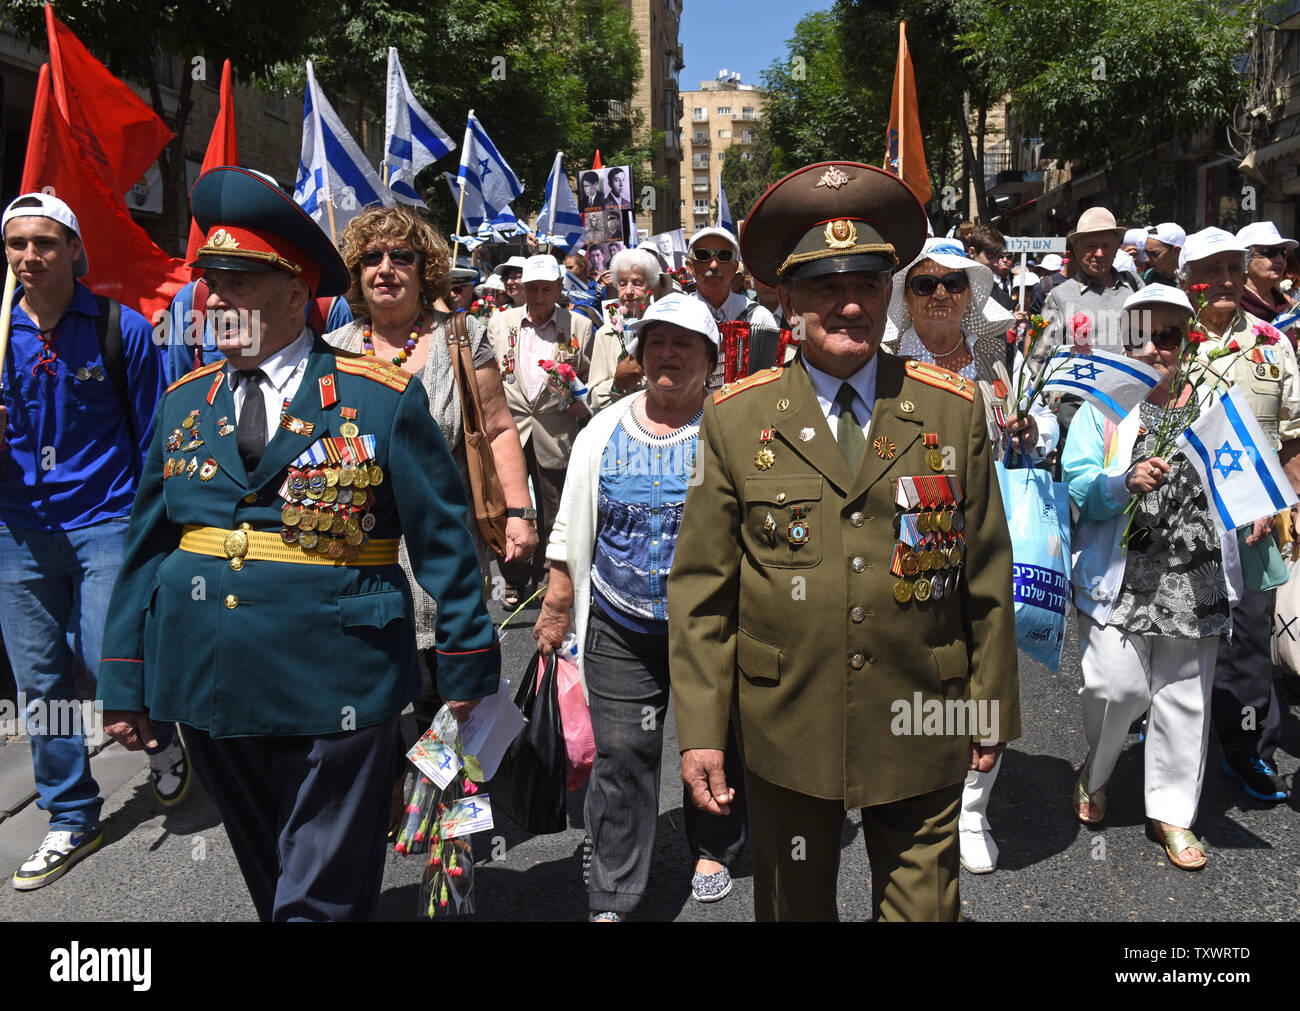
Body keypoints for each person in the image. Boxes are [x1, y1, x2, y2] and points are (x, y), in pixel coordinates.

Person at [96, 167, 501, 921]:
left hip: (336, 676)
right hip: (209, 680)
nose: (216, 300)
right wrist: (124, 674)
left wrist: (466, 656)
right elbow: (146, 547)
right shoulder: (186, 404)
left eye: (241, 280)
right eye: (211, 281)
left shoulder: (378, 396)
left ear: (295, 291)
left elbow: (442, 536)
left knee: (313, 897)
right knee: (271, 870)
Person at [669, 161, 1020, 922]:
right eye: (827, 287)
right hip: (788, 722)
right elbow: (701, 589)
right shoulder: (735, 417)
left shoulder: (950, 411)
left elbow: (988, 572)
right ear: (788, 298)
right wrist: (701, 730)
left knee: (926, 911)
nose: (850, 304)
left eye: (867, 283)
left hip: (925, 713)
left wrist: (989, 704)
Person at [534, 293, 746, 920]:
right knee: (622, 753)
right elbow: (572, 519)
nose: (669, 353)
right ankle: (615, 890)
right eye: (656, 342)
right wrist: (557, 594)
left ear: (710, 359)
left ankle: (714, 846)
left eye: (684, 343)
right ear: (640, 353)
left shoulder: (729, 429)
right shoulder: (603, 428)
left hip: (711, 625)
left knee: (718, 742)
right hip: (620, 621)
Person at [1, 194, 183, 892]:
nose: (29, 257)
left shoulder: (121, 329)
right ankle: (71, 813)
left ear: (75, 251)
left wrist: (153, 528)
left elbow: (154, 437)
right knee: (39, 681)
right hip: (16, 530)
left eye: (44, 242)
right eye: (16, 244)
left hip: (107, 519)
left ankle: (161, 737)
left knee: (111, 657)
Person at [883, 237, 1057, 874]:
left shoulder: (994, 364)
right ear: (906, 296)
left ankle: (975, 808)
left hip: (987, 535)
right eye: (924, 284)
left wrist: (1034, 430)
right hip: (908, 532)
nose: (938, 296)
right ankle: (920, 790)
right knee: (917, 663)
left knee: (985, 660)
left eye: (951, 284)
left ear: (969, 295)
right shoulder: (883, 361)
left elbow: (1034, 444)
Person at [1062, 283, 1246, 871]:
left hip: (1195, 573)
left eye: (1170, 336)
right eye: (1143, 335)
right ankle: (1097, 768)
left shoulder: (1217, 400)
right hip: (1122, 575)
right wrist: (1123, 483)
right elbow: (1078, 489)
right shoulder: (1104, 405)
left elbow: (1242, 472)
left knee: (1185, 698)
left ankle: (1173, 812)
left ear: (1187, 341)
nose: (1156, 349)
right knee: (1116, 687)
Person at [324, 203, 536, 679]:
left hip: (444, 548)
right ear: (356, 274)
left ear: (426, 270)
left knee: (447, 704)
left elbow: (499, 428)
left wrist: (520, 515)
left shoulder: (461, 338)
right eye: (371, 258)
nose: (385, 270)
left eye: (401, 256)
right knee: (368, 700)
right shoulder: (332, 350)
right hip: (355, 558)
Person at [1178, 227, 1300, 802]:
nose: (1224, 279)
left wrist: (1291, 506)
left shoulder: (1274, 344)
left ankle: (1248, 750)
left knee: (1250, 639)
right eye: (1211, 270)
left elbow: (1293, 439)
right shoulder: (1167, 342)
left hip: (1257, 520)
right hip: (1180, 519)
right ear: (1185, 280)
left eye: (1233, 266)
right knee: (1182, 636)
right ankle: (1176, 748)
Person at [486, 254, 595, 605]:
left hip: (557, 433)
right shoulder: (501, 323)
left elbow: (591, 380)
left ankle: (551, 578)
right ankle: (513, 577)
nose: (537, 296)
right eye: (531, 288)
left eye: (546, 289)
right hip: (510, 432)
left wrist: (583, 401)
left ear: (560, 289)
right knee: (511, 511)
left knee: (555, 511)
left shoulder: (579, 326)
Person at [685, 227, 778, 391]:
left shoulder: (758, 317)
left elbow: (775, 379)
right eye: (703, 255)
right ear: (690, 266)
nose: (714, 265)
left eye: (724, 256)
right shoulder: (676, 316)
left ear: (735, 267)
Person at [588, 247, 660, 411]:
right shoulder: (605, 334)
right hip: (622, 429)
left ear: (652, 287)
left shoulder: (665, 329)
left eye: (637, 283)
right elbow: (593, 399)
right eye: (622, 284)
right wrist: (616, 385)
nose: (628, 291)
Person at [1237, 220, 1298, 326]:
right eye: (1270, 252)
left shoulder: (1286, 303)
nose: (1279, 259)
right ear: (1245, 259)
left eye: (1283, 252)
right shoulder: (1234, 301)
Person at [966, 224, 1014, 309]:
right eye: (990, 257)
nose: (995, 263)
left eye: (998, 257)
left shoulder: (992, 286)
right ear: (972, 252)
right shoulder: (958, 282)